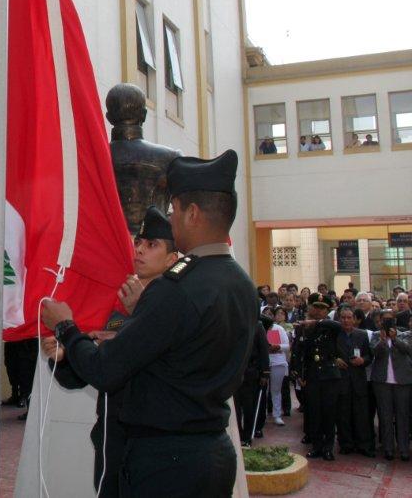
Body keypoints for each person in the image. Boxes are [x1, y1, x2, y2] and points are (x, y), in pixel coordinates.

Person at [42, 149, 258, 498]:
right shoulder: (241, 283)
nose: (171, 220)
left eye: (173, 212)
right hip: (210, 452)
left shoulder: (177, 288)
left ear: (192, 213)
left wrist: (66, 326)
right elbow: (179, 353)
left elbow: (108, 370)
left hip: (166, 462)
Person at [41, 205, 180, 498]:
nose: (140, 250)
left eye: (151, 245)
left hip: (160, 443)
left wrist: (140, 314)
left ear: (171, 259)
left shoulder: (178, 306)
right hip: (113, 440)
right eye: (138, 243)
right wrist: (64, 358)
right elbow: (85, 376)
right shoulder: (114, 305)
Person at [292, 294, 343, 460]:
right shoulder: (303, 328)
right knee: (314, 412)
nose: (319, 311)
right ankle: (316, 445)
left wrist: (317, 322)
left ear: (327, 311)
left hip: (329, 375)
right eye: (317, 307)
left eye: (323, 308)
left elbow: (338, 326)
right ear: (311, 308)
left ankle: (328, 446)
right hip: (312, 375)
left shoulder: (329, 326)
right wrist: (299, 373)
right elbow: (298, 352)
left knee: (329, 411)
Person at [370, 311, 412, 461]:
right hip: (382, 382)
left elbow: (408, 350)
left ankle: (404, 448)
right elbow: (373, 352)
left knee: (403, 415)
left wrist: (394, 340)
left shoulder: (404, 335)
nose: (387, 323)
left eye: (390, 320)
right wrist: (383, 340)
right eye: (384, 320)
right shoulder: (376, 336)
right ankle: (388, 448)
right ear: (380, 321)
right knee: (385, 415)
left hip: (402, 381)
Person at [335, 306, 374, 456]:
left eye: (349, 317)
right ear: (339, 319)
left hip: (358, 380)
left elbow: (369, 356)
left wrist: (362, 360)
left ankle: (364, 445)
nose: (346, 320)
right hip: (342, 380)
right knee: (343, 415)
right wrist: (335, 360)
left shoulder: (362, 335)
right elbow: (329, 354)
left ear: (354, 319)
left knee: (361, 415)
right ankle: (346, 444)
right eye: (343, 317)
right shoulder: (335, 335)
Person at [235, 318, 270, 446]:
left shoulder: (257, 326)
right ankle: (237, 434)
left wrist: (265, 373)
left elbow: (263, 351)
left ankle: (247, 435)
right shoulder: (230, 322)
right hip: (234, 374)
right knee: (236, 408)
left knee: (249, 407)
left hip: (251, 372)